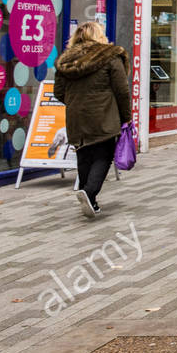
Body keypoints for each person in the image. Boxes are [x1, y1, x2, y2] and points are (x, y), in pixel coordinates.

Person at [53, 21, 131, 217]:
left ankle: (91, 201)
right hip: (103, 114)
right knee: (103, 155)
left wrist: (75, 102)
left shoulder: (65, 61)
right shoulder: (110, 57)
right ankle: (88, 192)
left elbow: (58, 92)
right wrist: (126, 117)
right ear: (98, 35)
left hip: (76, 116)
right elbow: (122, 91)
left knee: (84, 154)